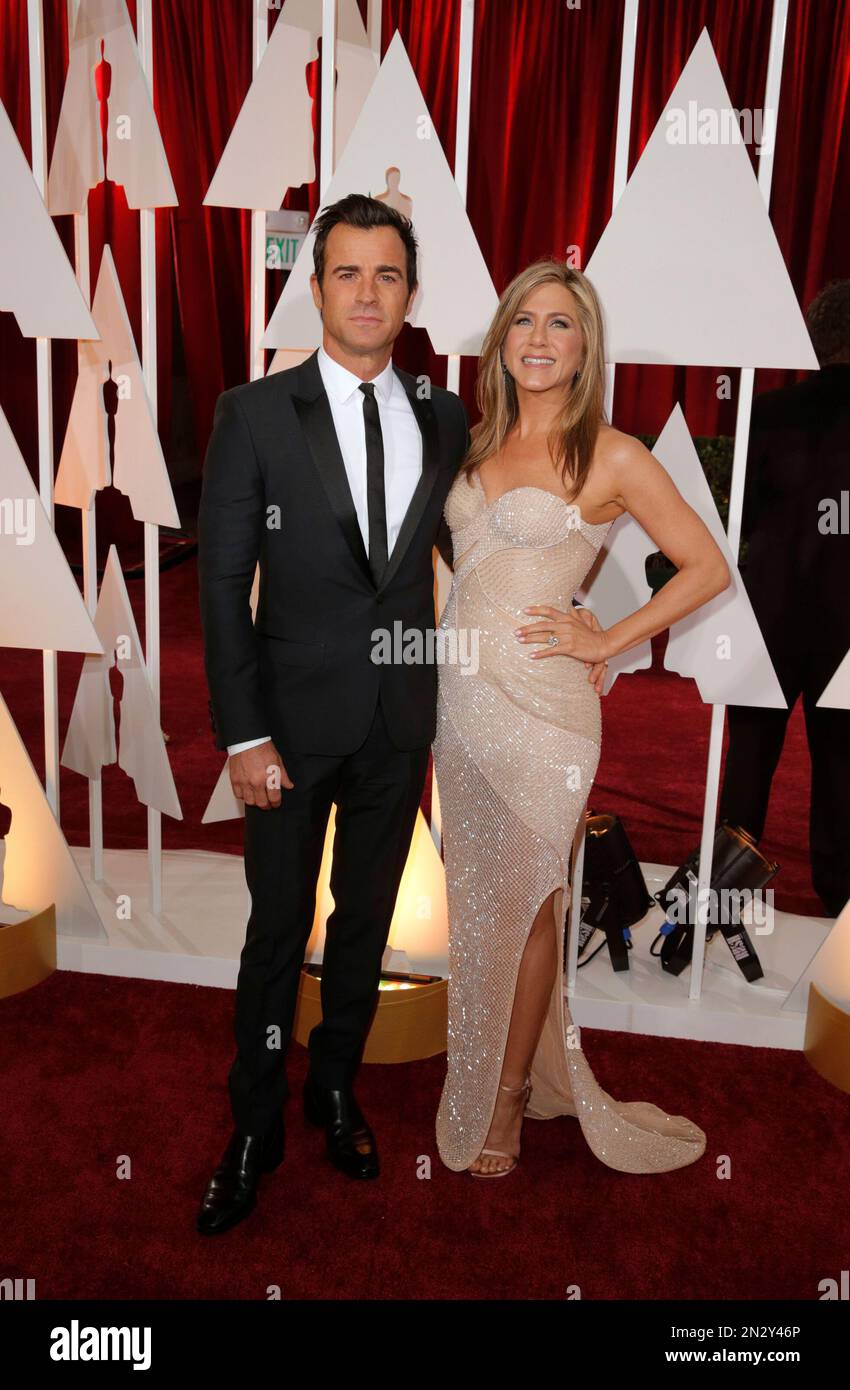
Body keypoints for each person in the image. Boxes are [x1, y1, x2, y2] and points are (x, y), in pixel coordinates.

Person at [195, 194, 469, 1234]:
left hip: (400, 721)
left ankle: (335, 1088)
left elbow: (468, 559)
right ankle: (254, 1123)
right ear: (314, 289)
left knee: (363, 925)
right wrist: (243, 733)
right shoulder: (253, 412)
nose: (366, 292)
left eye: (386, 274)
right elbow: (223, 587)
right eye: (346, 272)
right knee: (276, 931)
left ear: (409, 294)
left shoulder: (443, 414)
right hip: (288, 731)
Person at [433, 259, 731, 1177]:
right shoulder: (474, 443)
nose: (538, 339)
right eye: (524, 321)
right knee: (478, 900)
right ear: (502, 338)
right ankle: (489, 1068)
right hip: (460, 706)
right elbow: (470, 569)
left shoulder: (611, 453)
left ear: (583, 346)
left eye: (560, 324)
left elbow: (706, 567)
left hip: (547, 716)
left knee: (530, 910)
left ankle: (512, 1095)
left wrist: (606, 643)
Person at [719, 279, 850, 917]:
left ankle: (720, 897)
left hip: (767, 620)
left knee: (747, 766)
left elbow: (735, 520)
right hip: (847, 630)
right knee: (844, 773)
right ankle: (842, 907)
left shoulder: (765, 415)